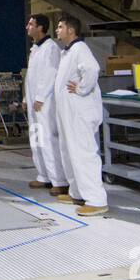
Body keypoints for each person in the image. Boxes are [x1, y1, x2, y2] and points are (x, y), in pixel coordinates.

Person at [53, 15, 109, 215]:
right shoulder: (66, 52)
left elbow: (93, 70)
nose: (57, 30)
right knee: (69, 152)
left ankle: (96, 199)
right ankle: (76, 191)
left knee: (83, 153)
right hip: (69, 114)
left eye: (60, 27)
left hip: (80, 113)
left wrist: (82, 88)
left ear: (71, 30)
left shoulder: (80, 49)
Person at [25, 14, 68, 195]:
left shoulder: (51, 48)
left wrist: (40, 97)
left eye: (31, 24)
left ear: (40, 27)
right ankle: (44, 175)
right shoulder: (36, 48)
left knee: (48, 139)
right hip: (34, 102)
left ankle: (59, 180)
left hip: (44, 102)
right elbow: (32, 77)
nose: (27, 26)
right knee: (36, 139)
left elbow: (50, 74)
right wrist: (26, 99)